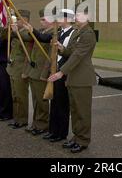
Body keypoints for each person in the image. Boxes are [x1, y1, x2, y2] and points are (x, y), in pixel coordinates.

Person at [48, 6, 97, 153]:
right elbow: (70, 52)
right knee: (75, 111)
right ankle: (76, 137)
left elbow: (78, 55)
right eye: (76, 14)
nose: (76, 17)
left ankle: (83, 140)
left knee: (82, 112)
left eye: (80, 15)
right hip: (74, 77)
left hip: (82, 78)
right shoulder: (78, 32)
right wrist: (61, 47)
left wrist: (61, 72)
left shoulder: (88, 34)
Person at [25, 9, 74, 143]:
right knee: (55, 103)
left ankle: (61, 133)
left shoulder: (73, 33)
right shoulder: (58, 32)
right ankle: (53, 131)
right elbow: (43, 38)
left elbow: (72, 54)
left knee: (62, 104)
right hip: (55, 71)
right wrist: (32, 30)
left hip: (64, 72)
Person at [24, 9, 52, 136]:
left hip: (42, 71)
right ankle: (36, 123)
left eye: (44, 19)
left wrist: (45, 74)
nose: (42, 21)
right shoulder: (41, 31)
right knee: (35, 99)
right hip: (34, 70)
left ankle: (43, 124)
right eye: (41, 19)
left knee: (42, 100)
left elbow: (45, 42)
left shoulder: (53, 33)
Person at [7, 10, 33, 129]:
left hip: (21, 69)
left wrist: (25, 71)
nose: (16, 21)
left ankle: (22, 119)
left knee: (21, 95)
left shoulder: (28, 32)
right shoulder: (16, 32)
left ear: (25, 20)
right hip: (13, 68)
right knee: (15, 95)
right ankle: (16, 118)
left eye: (18, 19)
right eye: (16, 19)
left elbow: (29, 52)